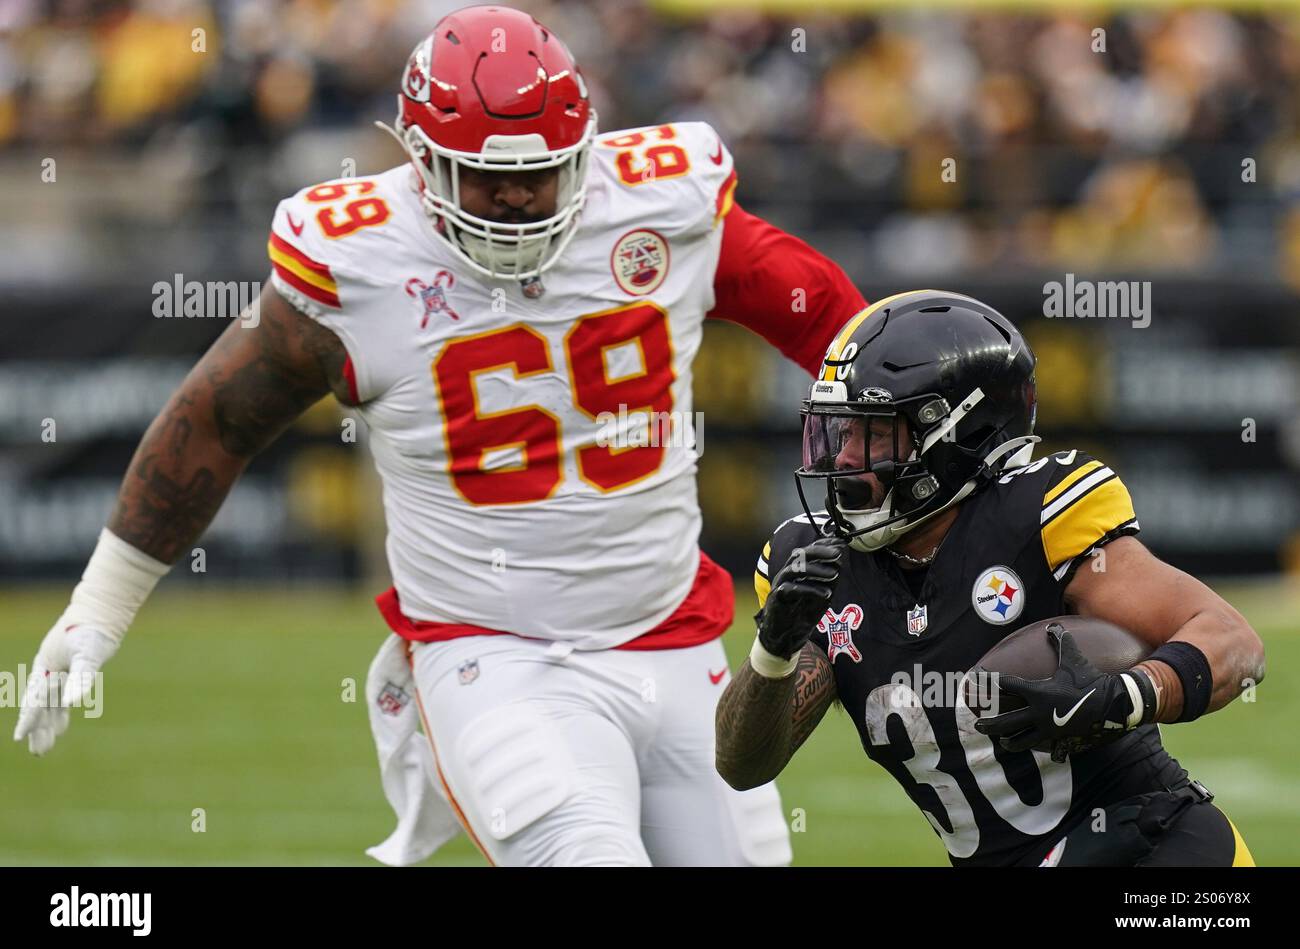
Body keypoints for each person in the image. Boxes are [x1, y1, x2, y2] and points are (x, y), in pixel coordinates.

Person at [14, 5, 868, 866]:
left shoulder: (659, 204)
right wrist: (99, 609)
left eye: (542, 172)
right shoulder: (360, 264)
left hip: (677, 638)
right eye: (483, 176)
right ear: (420, 162)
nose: (515, 195)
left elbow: (839, 327)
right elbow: (215, 422)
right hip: (494, 658)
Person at [715, 289, 1265, 866]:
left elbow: (1233, 643)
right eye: (840, 432)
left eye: (876, 433)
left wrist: (1122, 696)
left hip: (1152, 850)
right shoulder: (818, 565)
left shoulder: (1037, 520)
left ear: (960, 434)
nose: (847, 458)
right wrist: (773, 651)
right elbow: (741, 765)